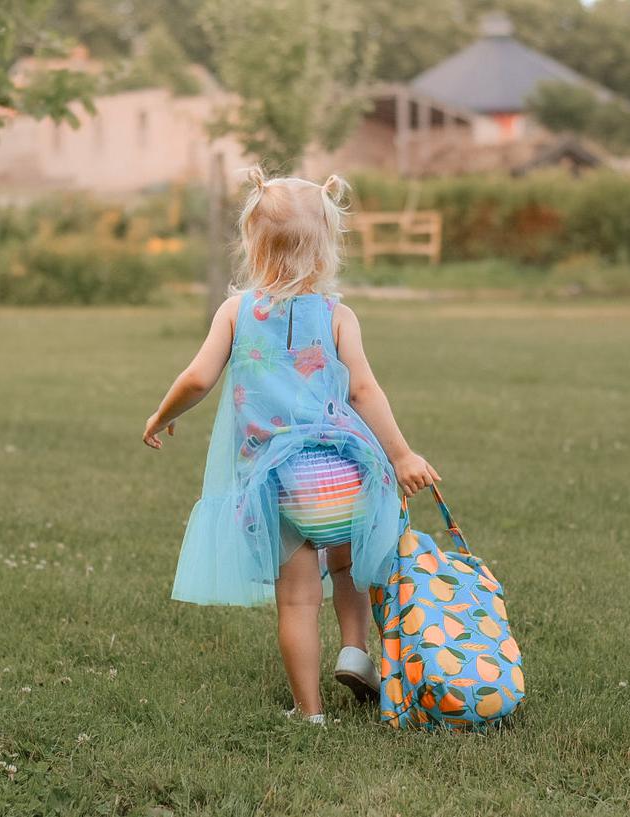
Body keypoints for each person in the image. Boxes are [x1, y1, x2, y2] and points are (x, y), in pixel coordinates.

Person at [143, 166, 439, 725]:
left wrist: (163, 413)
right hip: (346, 472)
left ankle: (309, 713)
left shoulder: (235, 312)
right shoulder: (336, 316)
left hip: (282, 484)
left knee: (299, 600)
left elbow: (198, 379)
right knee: (351, 567)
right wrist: (401, 455)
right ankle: (356, 648)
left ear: (253, 242)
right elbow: (363, 389)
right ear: (328, 246)